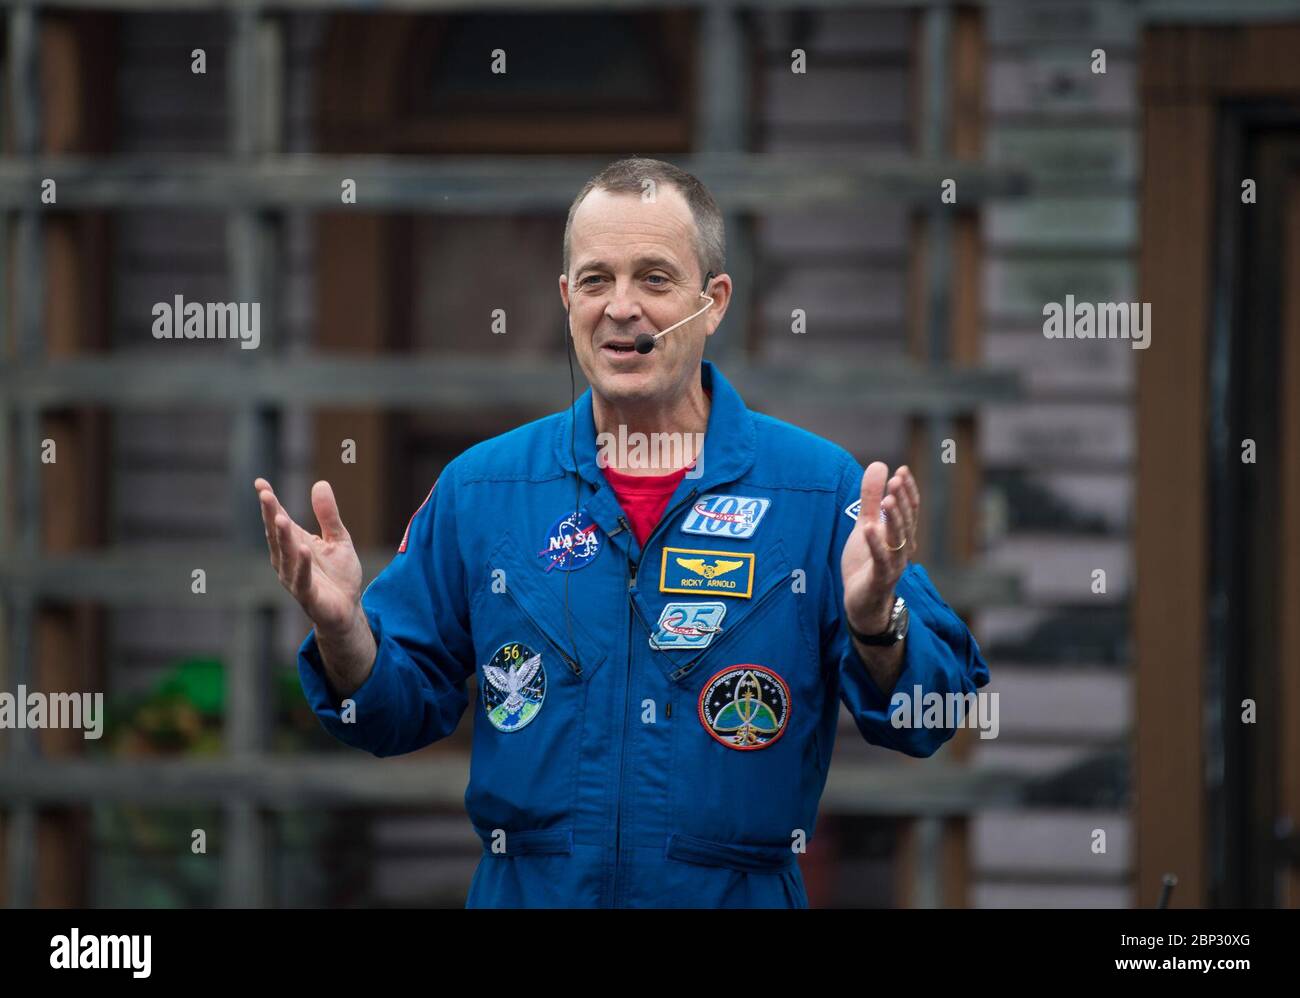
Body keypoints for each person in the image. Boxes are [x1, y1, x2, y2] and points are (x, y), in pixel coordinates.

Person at [254, 157, 989, 908]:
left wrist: (878, 625)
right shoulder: (484, 489)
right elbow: (386, 716)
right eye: (597, 280)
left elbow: (931, 716)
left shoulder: (817, 491)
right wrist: (345, 633)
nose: (622, 307)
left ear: (714, 302)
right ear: (568, 299)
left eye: (656, 278)